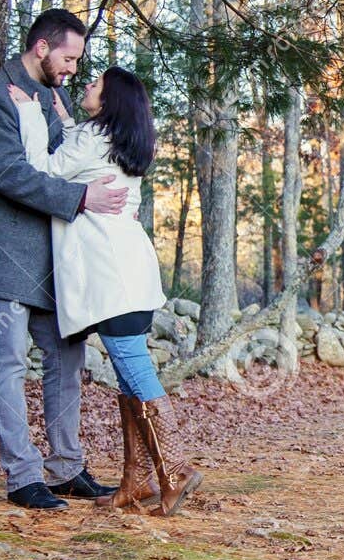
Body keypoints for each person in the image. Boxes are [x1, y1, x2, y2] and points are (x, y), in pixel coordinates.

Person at [0, 8, 127, 512]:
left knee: (68, 356)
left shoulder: (56, 97)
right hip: (0, 250)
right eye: (69, 58)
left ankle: (67, 466)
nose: (73, 69)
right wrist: (80, 199)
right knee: (6, 362)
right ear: (43, 48)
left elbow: (67, 157)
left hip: (55, 252)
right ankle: (22, 476)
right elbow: (7, 173)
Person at [11, 63, 205, 516]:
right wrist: (64, 123)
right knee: (127, 376)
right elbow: (83, 162)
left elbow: (43, 169)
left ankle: (174, 469)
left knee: (135, 371)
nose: (87, 85)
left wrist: (30, 115)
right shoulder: (121, 143)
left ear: (110, 100)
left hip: (110, 279)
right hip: (132, 273)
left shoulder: (92, 137)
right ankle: (136, 480)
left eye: (95, 83)